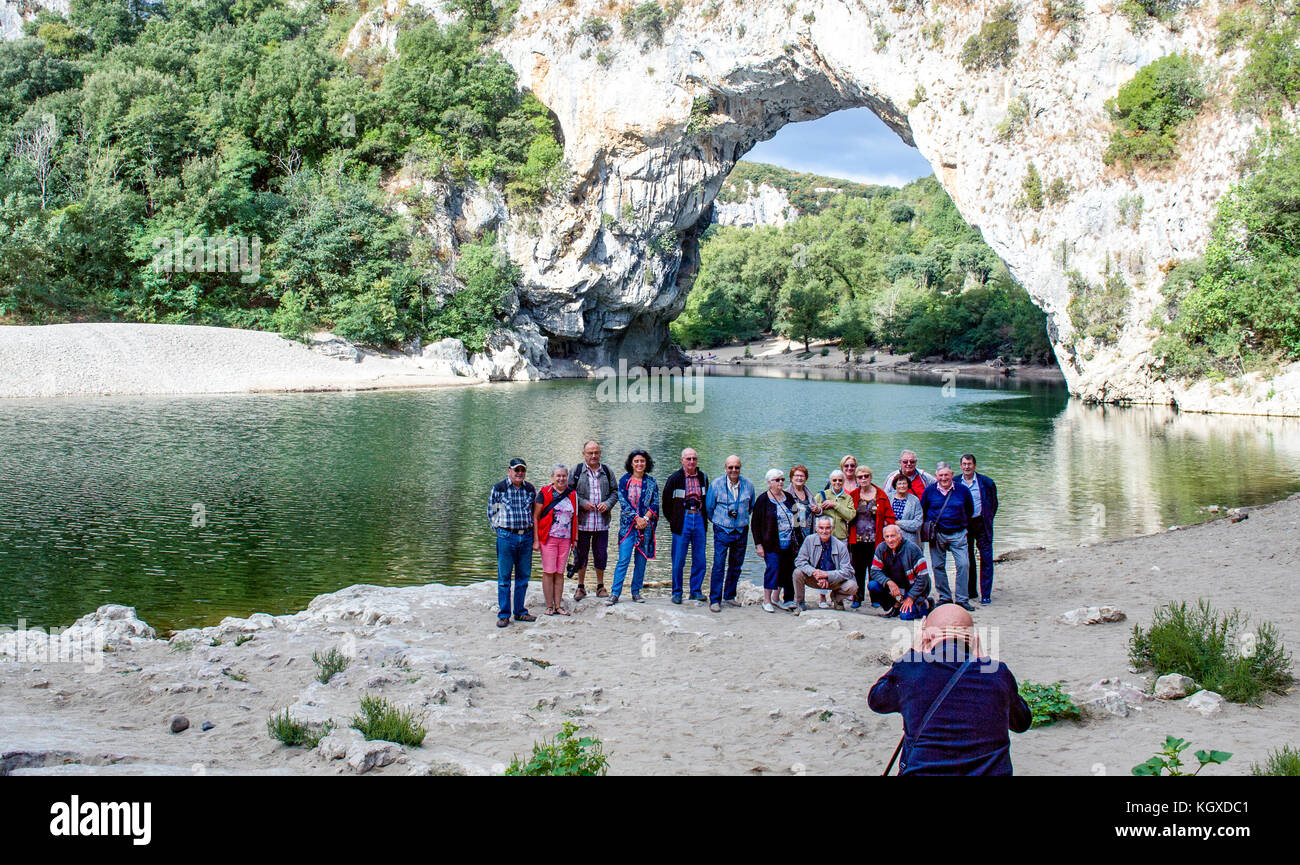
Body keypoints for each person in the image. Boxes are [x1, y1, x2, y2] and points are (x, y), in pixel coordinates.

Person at [868, 604, 1032, 775]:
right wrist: (985, 662)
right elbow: (1022, 723)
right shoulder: (998, 674)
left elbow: (876, 701)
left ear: (926, 637)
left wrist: (912, 655)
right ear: (973, 639)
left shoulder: (910, 670)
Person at [486, 457, 538, 627]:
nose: (519, 473)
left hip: (526, 536)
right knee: (504, 578)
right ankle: (504, 614)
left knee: (523, 576)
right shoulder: (499, 488)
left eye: (522, 470)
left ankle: (520, 612)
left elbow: (533, 512)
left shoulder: (530, 489)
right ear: (509, 471)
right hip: (507, 537)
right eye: (516, 470)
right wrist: (500, 530)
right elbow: (491, 511)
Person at [920, 461, 975, 611]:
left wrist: (962, 525)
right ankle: (945, 597)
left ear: (952, 475)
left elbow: (970, 510)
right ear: (936, 476)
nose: (944, 478)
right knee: (938, 566)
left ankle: (962, 599)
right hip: (937, 534)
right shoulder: (929, 491)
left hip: (958, 534)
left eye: (947, 475)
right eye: (941, 475)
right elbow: (923, 511)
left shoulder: (962, 490)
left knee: (963, 564)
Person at [705, 455, 754, 613]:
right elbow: (709, 508)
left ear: (740, 468)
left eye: (737, 467)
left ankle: (729, 595)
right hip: (722, 530)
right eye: (730, 467)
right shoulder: (716, 484)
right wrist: (720, 521)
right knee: (719, 565)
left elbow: (751, 506)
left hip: (741, 530)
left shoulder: (748, 485)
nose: (734, 470)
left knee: (736, 565)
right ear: (725, 468)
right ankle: (715, 599)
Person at [609, 449, 659, 605]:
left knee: (641, 561)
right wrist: (636, 518)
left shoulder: (651, 482)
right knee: (623, 559)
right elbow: (623, 503)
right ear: (631, 463)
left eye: (642, 461)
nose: (639, 464)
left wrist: (645, 519)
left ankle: (636, 592)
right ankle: (615, 593)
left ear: (646, 463)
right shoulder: (624, 480)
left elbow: (655, 503)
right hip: (628, 527)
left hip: (645, 527)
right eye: (636, 461)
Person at [570, 440, 618, 601]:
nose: (593, 456)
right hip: (583, 523)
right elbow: (568, 493)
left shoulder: (607, 471)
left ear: (600, 453)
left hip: (601, 523)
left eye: (596, 452)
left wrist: (608, 504)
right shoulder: (577, 471)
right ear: (583, 454)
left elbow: (615, 492)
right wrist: (582, 503)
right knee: (581, 555)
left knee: (601, 554)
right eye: (590, 453)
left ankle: (600, 585)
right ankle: (581, 586)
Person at [662, 447, 709, 605]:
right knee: (678, 558)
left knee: (700, 558)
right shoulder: (674, 478)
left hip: (699, 519)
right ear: (682, 460)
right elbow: (666, 504)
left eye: (694, 458)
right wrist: (675, 520)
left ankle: (695, 591)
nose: (691, 462)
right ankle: (677, 592)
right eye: (688, 459)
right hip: (682, 520)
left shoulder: (703, 477)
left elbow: (707, 499)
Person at [752, 468, 799, 613]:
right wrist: (758, 544)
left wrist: (797, 536)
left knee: (786, 570)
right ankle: (766, 600)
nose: (781, 482)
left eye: (782, 479)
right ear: (769, 482)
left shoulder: (789, 497)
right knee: (772, 568)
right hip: (771, 543)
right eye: (777, 480)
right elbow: (755, 524)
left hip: (788, 542)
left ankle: (776, 598)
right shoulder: (762, 499)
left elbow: (796, 517)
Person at [847, 465, 894, 609]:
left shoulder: (880, 494)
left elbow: (890, 516)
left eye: (866, 476)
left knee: (875, 570)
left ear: (871, 477)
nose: (863, 479)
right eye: (860, 477)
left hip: (876, 540)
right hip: (857, 540)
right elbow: (846, 514)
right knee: (857, 570)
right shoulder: (853, 495)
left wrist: (888, 533)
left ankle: (876, 598)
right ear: (856, 479)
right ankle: (857, 597)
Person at [534, 464, 578, 616]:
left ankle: (558, 605)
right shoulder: (544, 493)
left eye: (564, 476)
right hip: (548, 538)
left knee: (559, 572)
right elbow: (536, 516)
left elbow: (575, 517)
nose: (561, 478)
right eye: (558, 476)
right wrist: (536, 539)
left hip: (565, 539)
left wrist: (575, 539)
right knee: (549, 571)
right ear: (552, 477)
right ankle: (549, 605)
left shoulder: (572, 493)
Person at [791, 516, 857, 611]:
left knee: (852, 586)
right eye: (821, 528)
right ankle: (799, 602)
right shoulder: (809, 540)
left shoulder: (841, 546)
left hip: (834, 580)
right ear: (816, 529)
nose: (824, 531)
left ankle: (836, 599)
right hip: (815, 578)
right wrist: (815, 572)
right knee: (797, 573)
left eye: (827, 528)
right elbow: (799, 561)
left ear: (832, 529)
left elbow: (848, 571)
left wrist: (827, 575)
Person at [959, 453, 999, 606]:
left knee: (986, 559)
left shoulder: (986, 482)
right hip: (964, 524)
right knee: (967, 558)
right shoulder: (956, 482)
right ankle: (971, 591)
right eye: (964, 464)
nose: (967, 467)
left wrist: (987, 518)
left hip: (982, 523)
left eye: (969, 464)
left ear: (974, 466)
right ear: (961, 466)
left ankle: (986, 594)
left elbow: (993, 504)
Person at [867, 524, 931, 620]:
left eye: (893, 536)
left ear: (900, 536)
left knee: (905, 616)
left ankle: (927, 604)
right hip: (895, 589)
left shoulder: (913, 549)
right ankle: (896, 605)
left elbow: (923, 578)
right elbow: (875, 571)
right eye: (887, 537)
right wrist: (889, 582)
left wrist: (911, 597)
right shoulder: (881, 548)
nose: (890, 540)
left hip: (912, 589)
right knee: (872, 585)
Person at [813, 470, 855, 541]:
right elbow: (813, 507)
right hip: (823, 536)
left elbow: (850, 516)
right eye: (834, 480)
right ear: (830, 481)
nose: (837, 482)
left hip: (841, 537)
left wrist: (835, 504)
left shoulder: (848, 498)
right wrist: (820, 508)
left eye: (840, 480)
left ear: (844, 482)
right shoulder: (821, 495)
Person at [888, 473, 924, 548]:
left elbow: (918, 523)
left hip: (909, 539)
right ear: (895, 485)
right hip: (890, 538)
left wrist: (899, 523)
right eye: (899, 484)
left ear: (908, 485)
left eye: (904, 483)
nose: (902, 486)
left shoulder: (914, 500)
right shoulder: (888, 498)